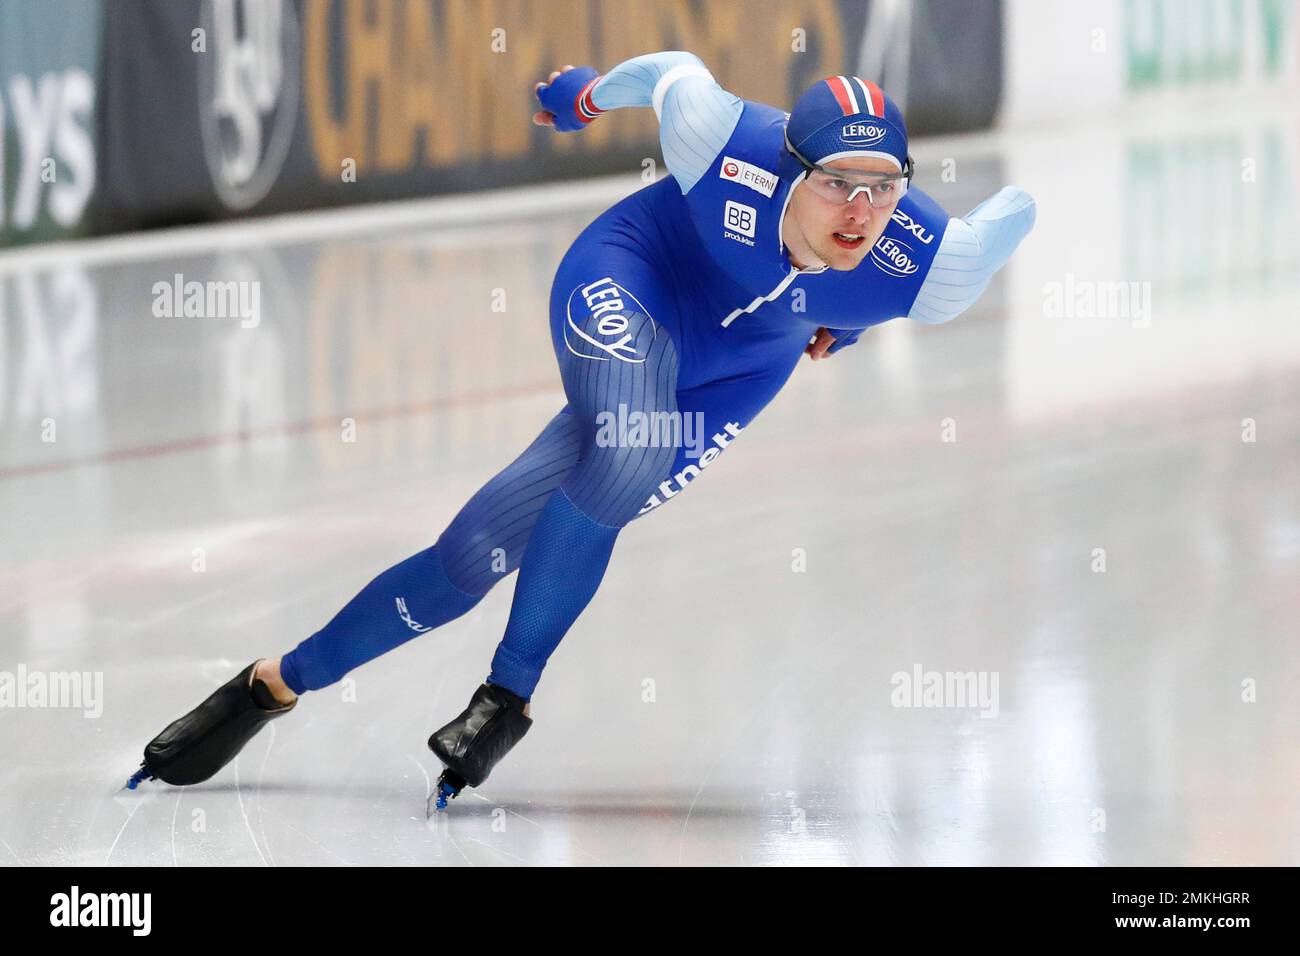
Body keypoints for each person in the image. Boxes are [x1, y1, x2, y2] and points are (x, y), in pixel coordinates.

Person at [129, 52, 1036, 808]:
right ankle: (507, 696)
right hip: (629, 277)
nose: (861, 212)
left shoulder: (927, 265)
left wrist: (861, 312)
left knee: (470, 556)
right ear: (791, 168)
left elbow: (1011, 218)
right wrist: (587, 96)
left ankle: (274, 683)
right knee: (632, 442)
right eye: (837, 183)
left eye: (884, 190)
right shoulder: (724, 142)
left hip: (737, 371)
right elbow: (675, 71)